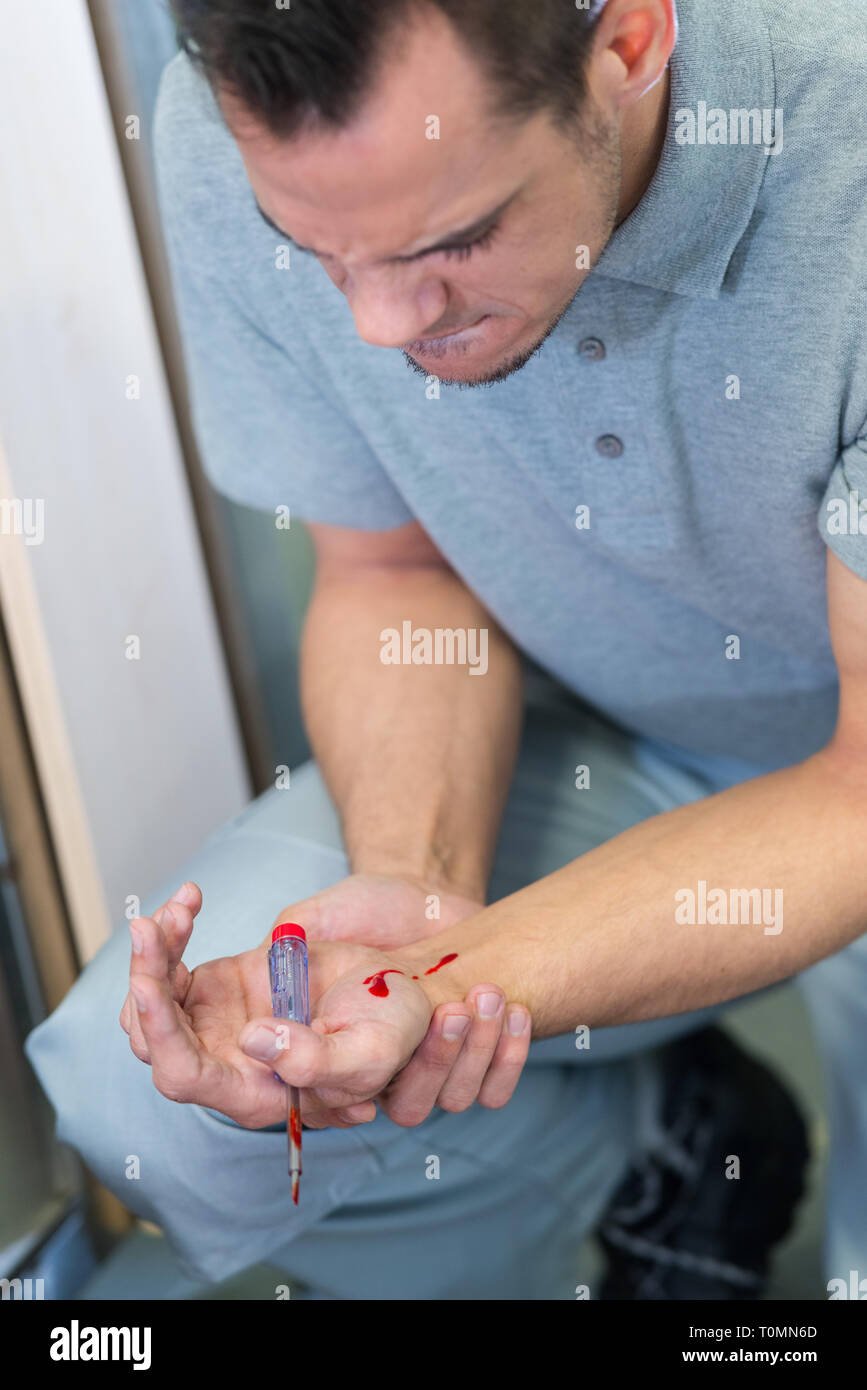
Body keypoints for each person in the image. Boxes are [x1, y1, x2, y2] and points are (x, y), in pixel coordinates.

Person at [27, 0, 867, 1299]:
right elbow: (391, 569)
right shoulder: (251, 133)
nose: (376, 326)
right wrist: (414, 909)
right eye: (313, 251)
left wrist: (467, 979)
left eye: (454, 239)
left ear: (631, 43)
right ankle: (655, 1146)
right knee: (156, 1099)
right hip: (615, 749)